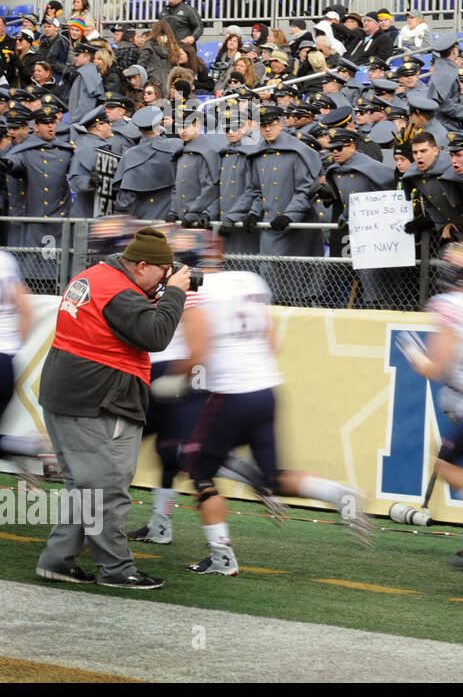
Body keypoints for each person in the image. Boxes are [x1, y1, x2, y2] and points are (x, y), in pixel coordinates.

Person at [184, 266, 370, 574]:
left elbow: (198, 351)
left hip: (229, 393)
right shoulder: (248, 279)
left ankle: (222, 558)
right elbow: (273, 343)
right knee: (274, 478)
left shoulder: (197, 290)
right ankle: (338, 493)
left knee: (200, 472)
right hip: (266, 390)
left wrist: (177, 380)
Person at [35, 227, 189, 590]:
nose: (167, 278)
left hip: (71, 394)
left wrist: (157, 293)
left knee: (84, 486)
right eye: (163, 271)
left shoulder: (96, 277)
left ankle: (57, 562)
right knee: (108, 487)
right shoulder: (118, 290)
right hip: (98, 399)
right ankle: (117, 569)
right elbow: (155, 335)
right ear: (140, 266)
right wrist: (176, 295)